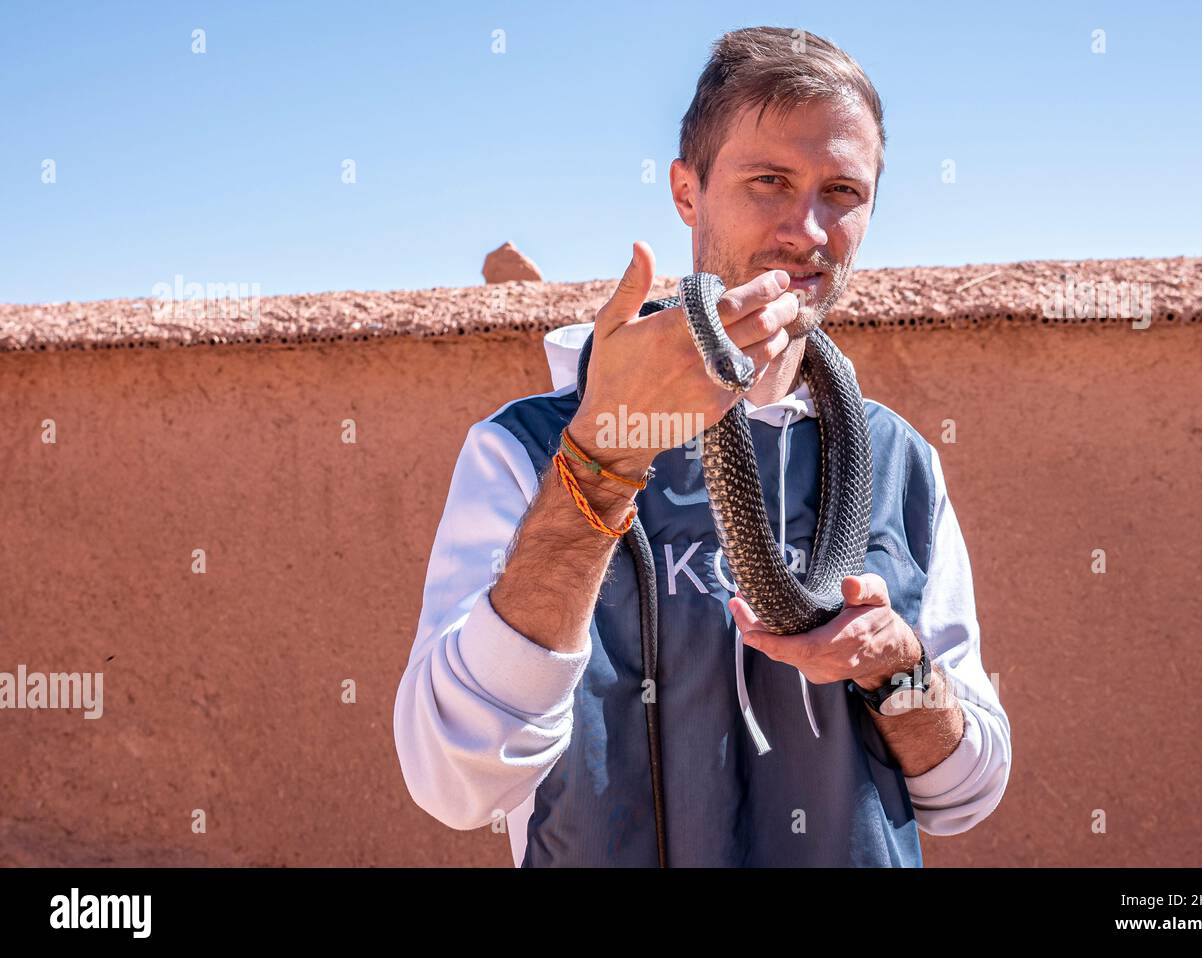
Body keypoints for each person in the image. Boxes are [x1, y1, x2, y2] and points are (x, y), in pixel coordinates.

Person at [394, 25, 1011, 867]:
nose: (809, 229)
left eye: (842, 191)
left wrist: (894, 667)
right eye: (769, 181)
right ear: (687, 193)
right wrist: (603, 457)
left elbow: (965, 797)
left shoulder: (897, 462)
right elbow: (451, 780)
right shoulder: (530, 448)